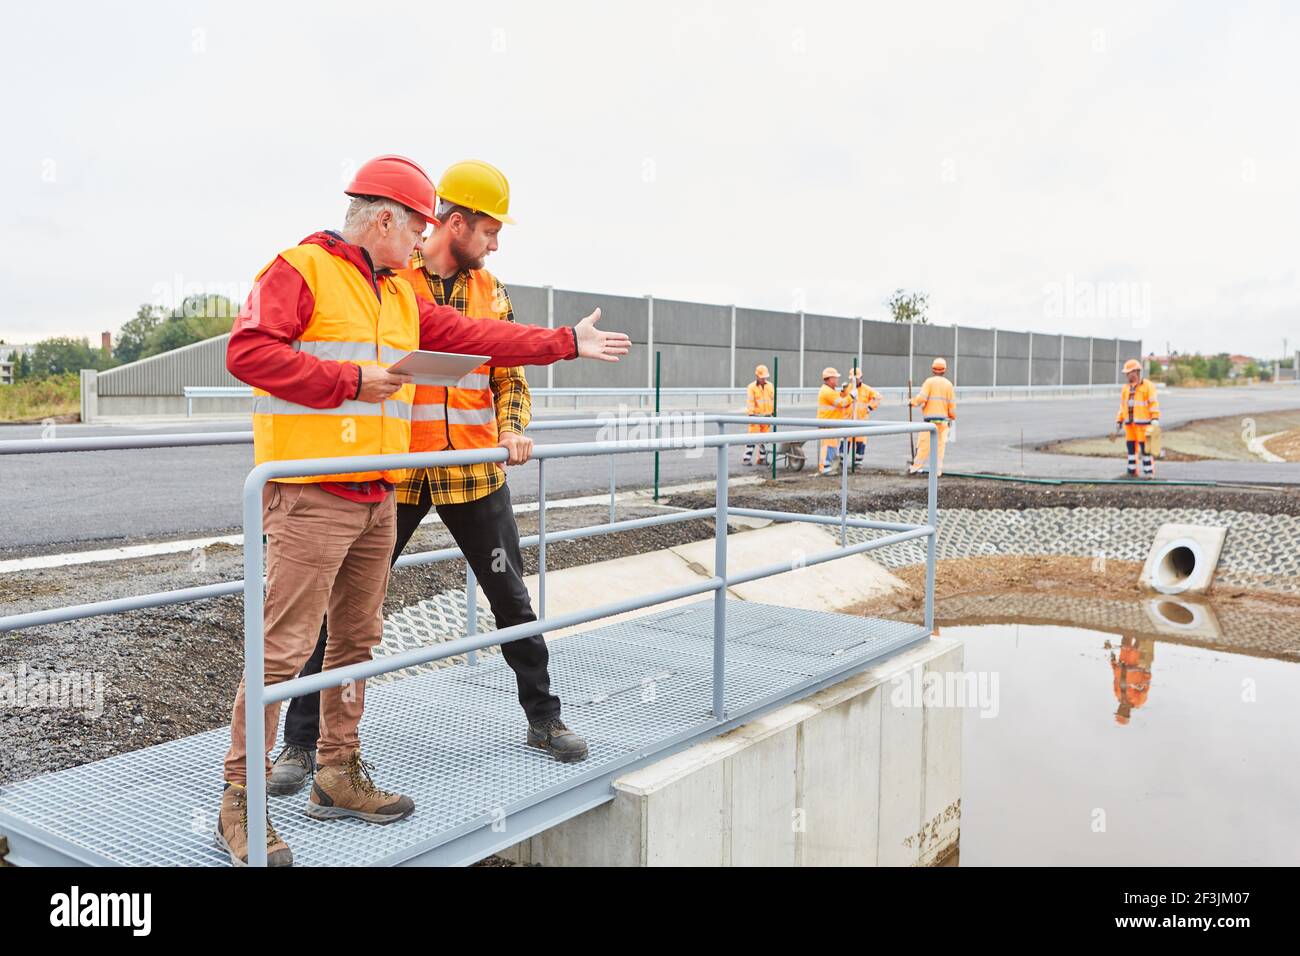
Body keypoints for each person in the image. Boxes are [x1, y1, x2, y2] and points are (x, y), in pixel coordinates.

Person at [217, 154, 629, 867]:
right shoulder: (299, 270)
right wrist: (349, 380)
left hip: (381, 492)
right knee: (282, 652)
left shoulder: (398, 292)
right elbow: (247, 351)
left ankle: (336, 773)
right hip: (313, 492)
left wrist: (564, 343)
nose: (421, 243)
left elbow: (478, 340)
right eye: (416, 228)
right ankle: (242, 804)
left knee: (354, 644)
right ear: (385, 219)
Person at [270, 160, 589, 799]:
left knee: (512, 601)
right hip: (402, 476)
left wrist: (513, 427)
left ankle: (544, 717)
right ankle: (301, 746)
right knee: (342, 612)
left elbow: (508, 372)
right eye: (491, 231)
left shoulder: (491, 291)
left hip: (473, 473)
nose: (496, 245)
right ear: (456, 222)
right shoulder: (389, 279)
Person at [1112, 359, 1160, 478]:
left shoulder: (1148, 386)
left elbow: (1153, 403)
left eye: (1129, 372)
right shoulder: (1126, 388)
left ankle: (1149, 472)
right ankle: (1132, 471)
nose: (1127, 375)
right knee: (1131, 449)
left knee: (1145, 449)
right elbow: (1123, 406)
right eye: (1126, 373)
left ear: (1136, 372)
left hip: (1144, 424)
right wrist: (1119, 420)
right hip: (1130, 425)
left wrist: (1155, 418)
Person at [908, 357, 956, 476]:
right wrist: (952, 417)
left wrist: (912, 402)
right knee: (939, 449)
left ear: (933, 369)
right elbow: (952, 404)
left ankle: (915, 468)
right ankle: (937, 471)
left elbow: (922, 398)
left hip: (929, 422)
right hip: (943, 422)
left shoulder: (929, 382)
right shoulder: (948, 384)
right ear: (944, 370)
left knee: (924, 446)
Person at [816, 366, 853, 476]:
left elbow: (837, 399)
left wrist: (842, 392)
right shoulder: (827, 391)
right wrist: (851, 396)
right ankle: (825, 468)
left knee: (830, 446)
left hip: (830, 422)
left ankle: (827, 467)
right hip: (827, 423)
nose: (837, 380)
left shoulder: (829, 390)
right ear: (830, 379)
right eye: (835, 378)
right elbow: (841, 403)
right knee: (828, 446)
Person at [742, 364, 775, 465]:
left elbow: (772, 400)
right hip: (755, 417)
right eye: (762, 377)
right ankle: (746, 459)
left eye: (765, 377)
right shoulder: (752, 387)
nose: (763, 379)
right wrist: (751, 414)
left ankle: (762, 459)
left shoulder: (770, 386)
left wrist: (773, 412)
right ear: (757, 376)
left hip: (766, 417)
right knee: (752, 438)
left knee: (764, 439)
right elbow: (750, 402)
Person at [847, 369, 881, 464]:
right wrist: (842, 391)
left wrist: (870, 407)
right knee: (845, 442)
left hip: (861, 420)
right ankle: (842, 462)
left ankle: (858, 463)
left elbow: (878, 397)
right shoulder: (847, 388)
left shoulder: (866, 389)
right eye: (853, 379)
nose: (854, 381)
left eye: (856, 379)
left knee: (860, 442)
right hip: (848, 420)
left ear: (861, 378)